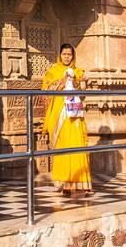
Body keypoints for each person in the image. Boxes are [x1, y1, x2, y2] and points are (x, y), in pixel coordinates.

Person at [40, 44, 93, 199]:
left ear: (73, 56)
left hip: (75, 114)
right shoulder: (52, 72)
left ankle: (82, 183)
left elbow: (82, 92)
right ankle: (65, 183)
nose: (67, 57)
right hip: (59, 115)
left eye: (69, 54)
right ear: (60, 55)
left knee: (77, 145)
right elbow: (45, 92)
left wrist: (77, 81)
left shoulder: (78, 71)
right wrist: (62, 81)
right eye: (64, 54)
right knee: (63, 147)